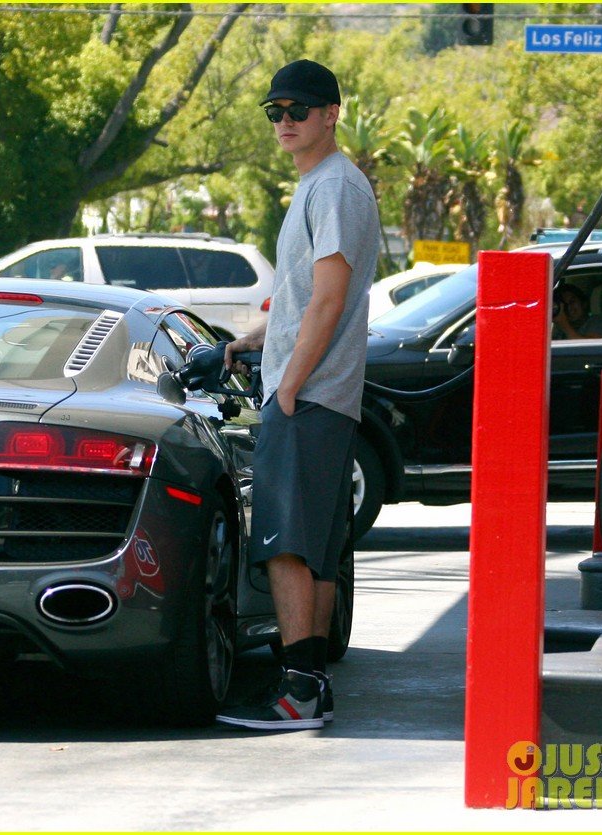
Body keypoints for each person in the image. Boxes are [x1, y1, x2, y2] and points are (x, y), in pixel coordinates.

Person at [215, 59, 380, 731]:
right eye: (274, 112)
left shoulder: (334, 186)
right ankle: (310, 687)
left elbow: (330, 299)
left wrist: (286, 387)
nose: (284, 121)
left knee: (286, 546)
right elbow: (302, 298)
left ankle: (298, 694)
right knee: (315, 548)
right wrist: (253, 340)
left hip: (309, 398)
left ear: (331, 114)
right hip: (319, 396)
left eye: (298, 110)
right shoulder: (321, 185)